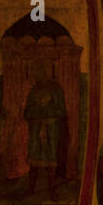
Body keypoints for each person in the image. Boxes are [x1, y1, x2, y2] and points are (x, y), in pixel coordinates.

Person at [23, 60, 67, 197]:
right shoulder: (34, 90)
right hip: (36, 130)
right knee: (33, 160)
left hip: (51, 130)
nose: (38, 74)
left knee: (51, 160)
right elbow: (26, 112)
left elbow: (61, 111)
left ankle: (51, 190)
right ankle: (31, 188)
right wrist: (38, 111)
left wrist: (45, 110)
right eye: (36, 71)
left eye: (41, 70)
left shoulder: (56, 89)